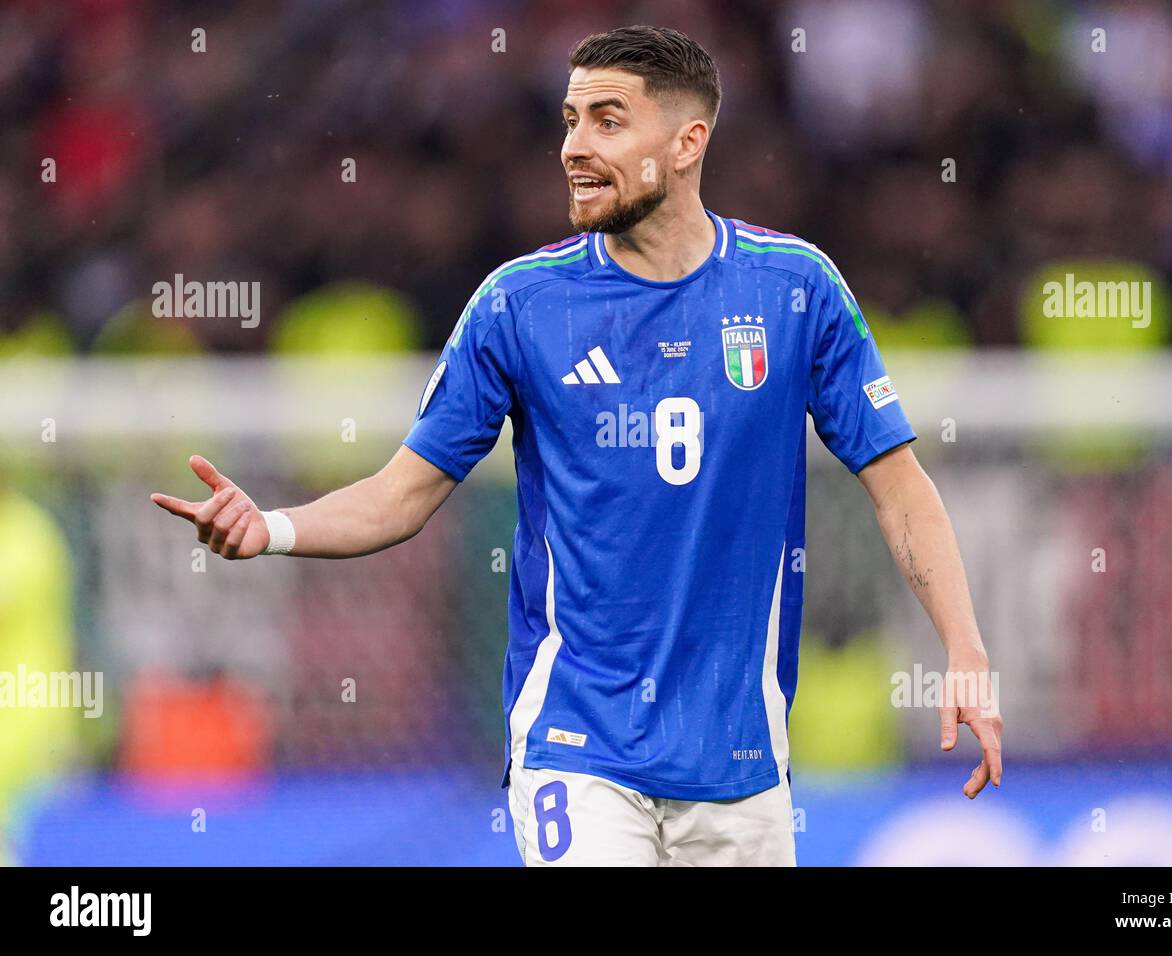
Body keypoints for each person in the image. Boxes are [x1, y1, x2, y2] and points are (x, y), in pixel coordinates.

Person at [151, 25, 1001, 867]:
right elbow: (401, 494)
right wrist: (275, 527)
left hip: (740, 760)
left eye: (607, 120)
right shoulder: (518, 306)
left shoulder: (794, 290)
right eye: (569, 119)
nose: (574, 147)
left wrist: (962, 648)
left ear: (686, 142)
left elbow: (901, 490)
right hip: (577, 742)